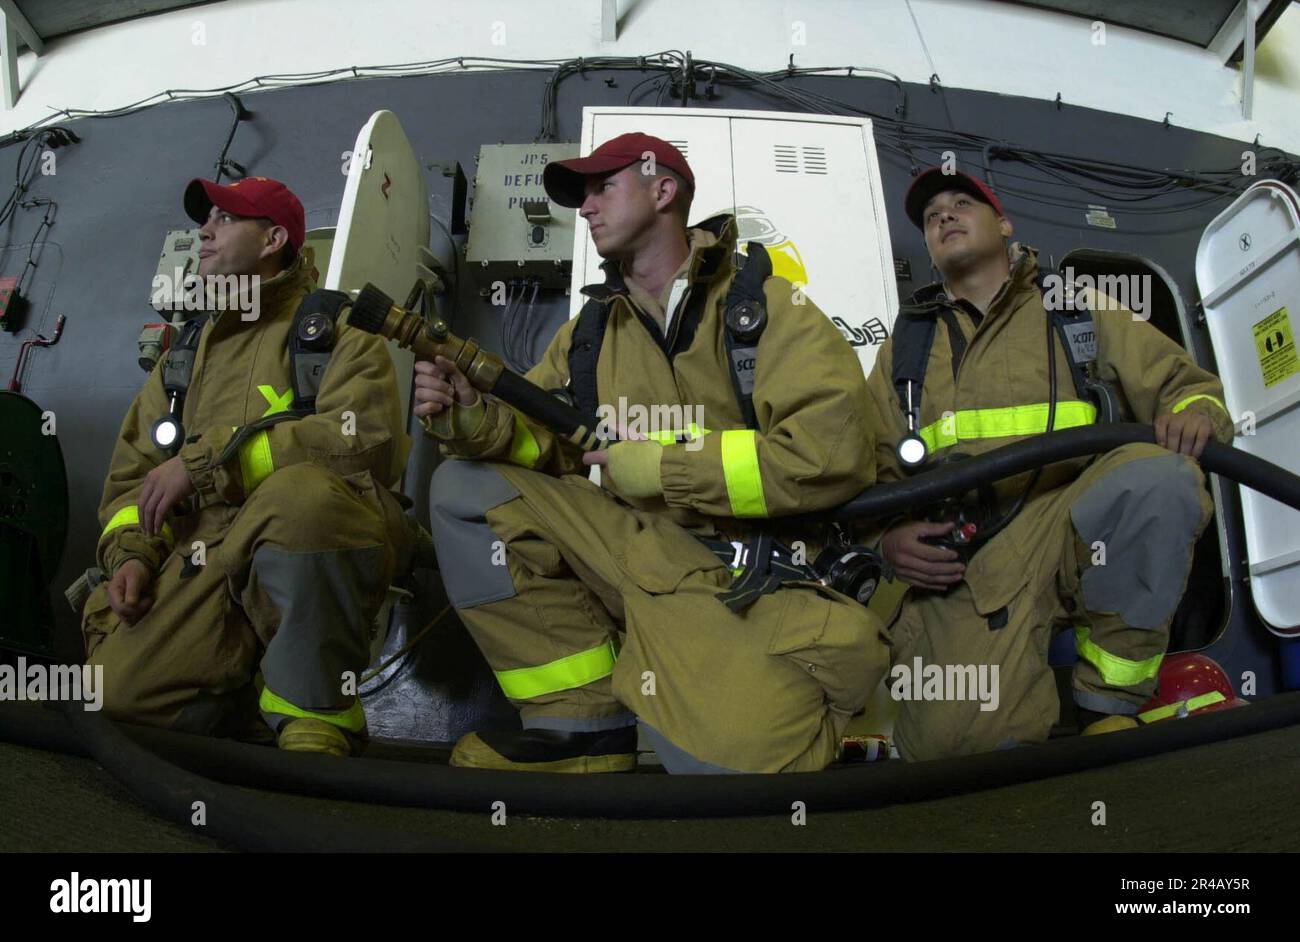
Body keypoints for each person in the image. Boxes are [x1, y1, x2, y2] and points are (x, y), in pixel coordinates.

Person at [418, 133, 889, 773]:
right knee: (465, 489)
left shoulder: (769, 310)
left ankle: (751, 694)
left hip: (739, 574)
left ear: (663, 190)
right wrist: (468, 414)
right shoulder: (589, 331)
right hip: (630, 547)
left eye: (602, 187)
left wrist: (666, 471)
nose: (584, 208)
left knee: (729, 770)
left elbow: (827, 453)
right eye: (582, 195)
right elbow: (540, 445)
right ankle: (579, 725)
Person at [864, 166, 1234, 761]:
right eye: (932, 217)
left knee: (1160, 479)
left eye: (963, 203)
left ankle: (1108, 707)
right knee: (954, 751)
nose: (944, 217)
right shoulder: (905, 345)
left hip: (1075, 519)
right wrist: (889, 538)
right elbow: (869, 472)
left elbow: (1187, 387)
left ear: (1004, 224)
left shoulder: (1075, 309)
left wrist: (1195, 416)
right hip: (971, 560)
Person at [82, 175, 411, 757]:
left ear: (273, 238)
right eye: (205, 219)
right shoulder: (181, 358)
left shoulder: (335, 332)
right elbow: (134, 480)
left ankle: (317, 711)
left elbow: (368, 444)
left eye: (226, 218)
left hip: (307, 535)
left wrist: (210, 465)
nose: (205, 231)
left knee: (303, 498)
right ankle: (241, 700)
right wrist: (132, 553)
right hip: (200, 552)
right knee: (113, 697)